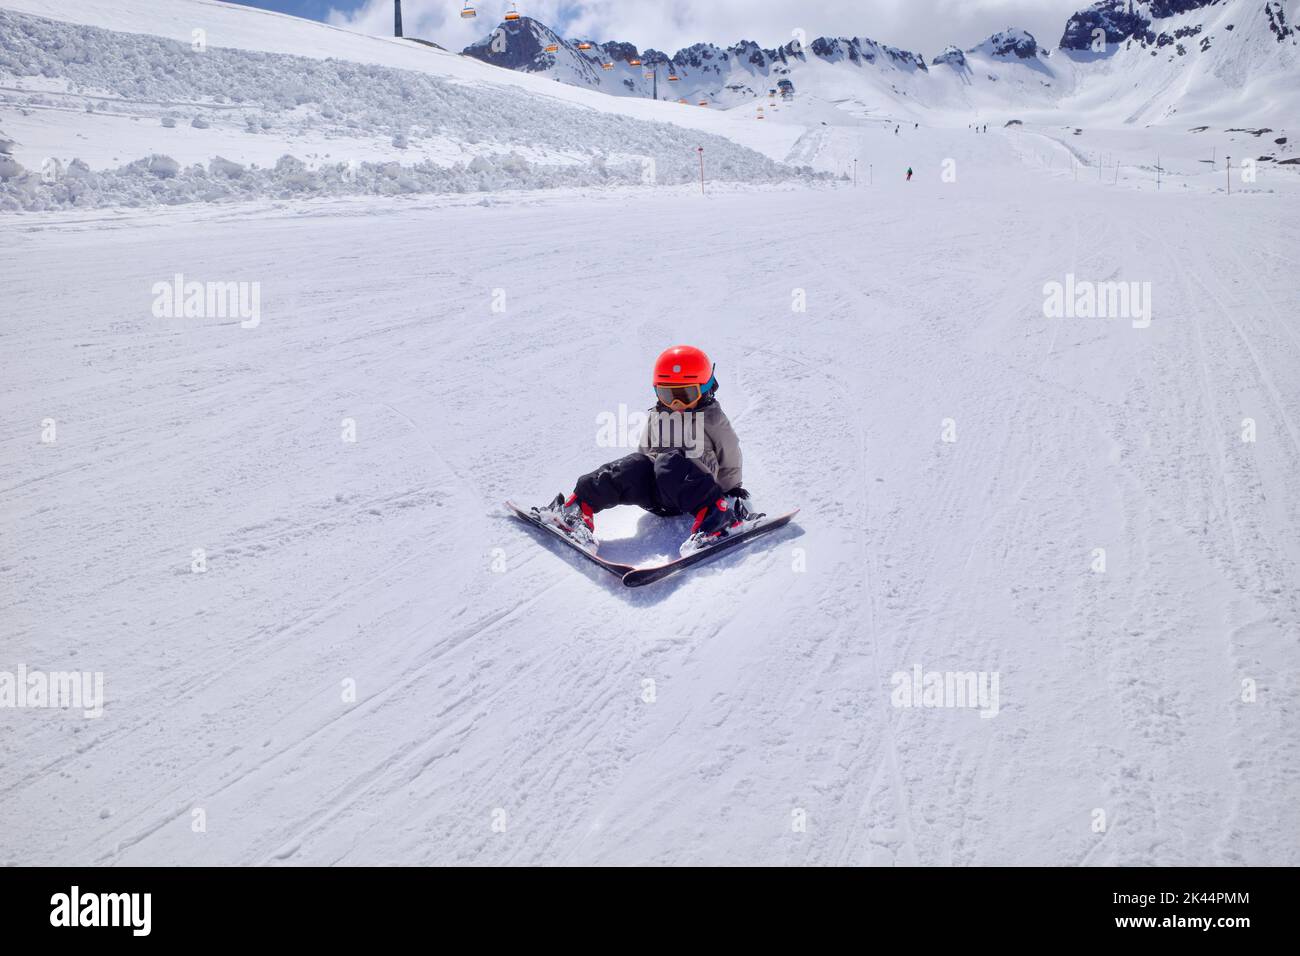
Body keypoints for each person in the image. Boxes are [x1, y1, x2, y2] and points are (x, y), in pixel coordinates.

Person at [534, 346, 759, 556]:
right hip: (659, 496)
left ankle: (720, 519)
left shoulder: (712, 419)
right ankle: (576, 510)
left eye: (687, 395)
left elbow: (729, 456)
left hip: (698, 495)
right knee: (633, 464)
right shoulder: (658, 415)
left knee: (668, 462)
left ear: (706, 389)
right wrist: (637, 470)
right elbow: (645, 452)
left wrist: (730, 493)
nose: (677, 403)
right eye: (668, 395)